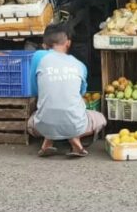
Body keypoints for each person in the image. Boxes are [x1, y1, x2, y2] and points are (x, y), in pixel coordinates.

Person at [27, 25, 106, 158]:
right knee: (101, 119)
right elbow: (80, 94)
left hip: (44, 126)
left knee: (31, 123)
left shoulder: (38, 57)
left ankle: (48, 141)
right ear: (68, 43)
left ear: (44, 45)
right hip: (75, 125)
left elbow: (34, 90)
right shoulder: (80, 65)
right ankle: (74, 139)